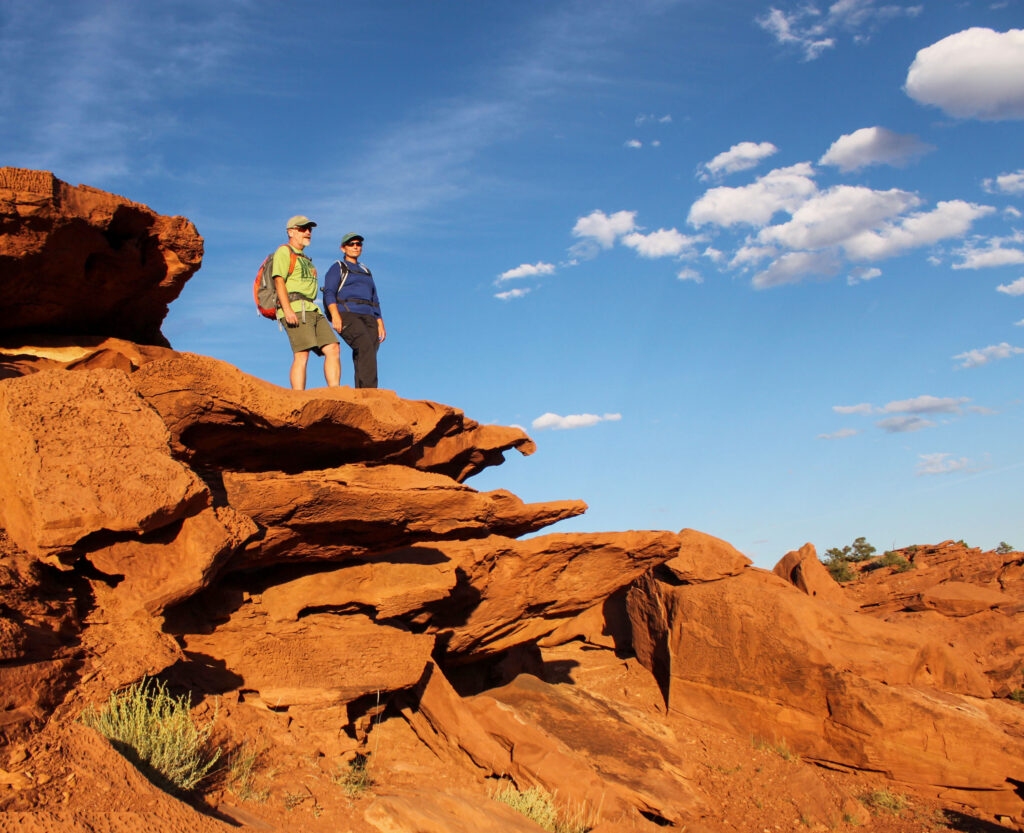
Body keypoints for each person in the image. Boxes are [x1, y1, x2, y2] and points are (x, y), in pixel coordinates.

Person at [273, 215, 341, 390]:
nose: (308, 232)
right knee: (302, 353)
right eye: (303, 229)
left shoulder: (305, 258)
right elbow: (279, 281)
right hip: (295, 307)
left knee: (333, 347)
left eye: (309, 229)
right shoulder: (284, 251)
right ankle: (298, 397)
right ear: (291, 232)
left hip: (312, 308)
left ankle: (335, 393)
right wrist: (287, 309)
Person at [322, 232, 386, 388]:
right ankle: (371, 392)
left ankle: (361, 392)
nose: (355, 247)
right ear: (343, 248)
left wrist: (380, 322)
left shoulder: (365, 270)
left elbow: (374, 298)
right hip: (347, 313)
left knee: (368, 351)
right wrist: (335, 315)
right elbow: (329, 292)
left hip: (369, 315)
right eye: (351, 244)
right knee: (364, 345)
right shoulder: (338, 267)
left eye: (358, 244)